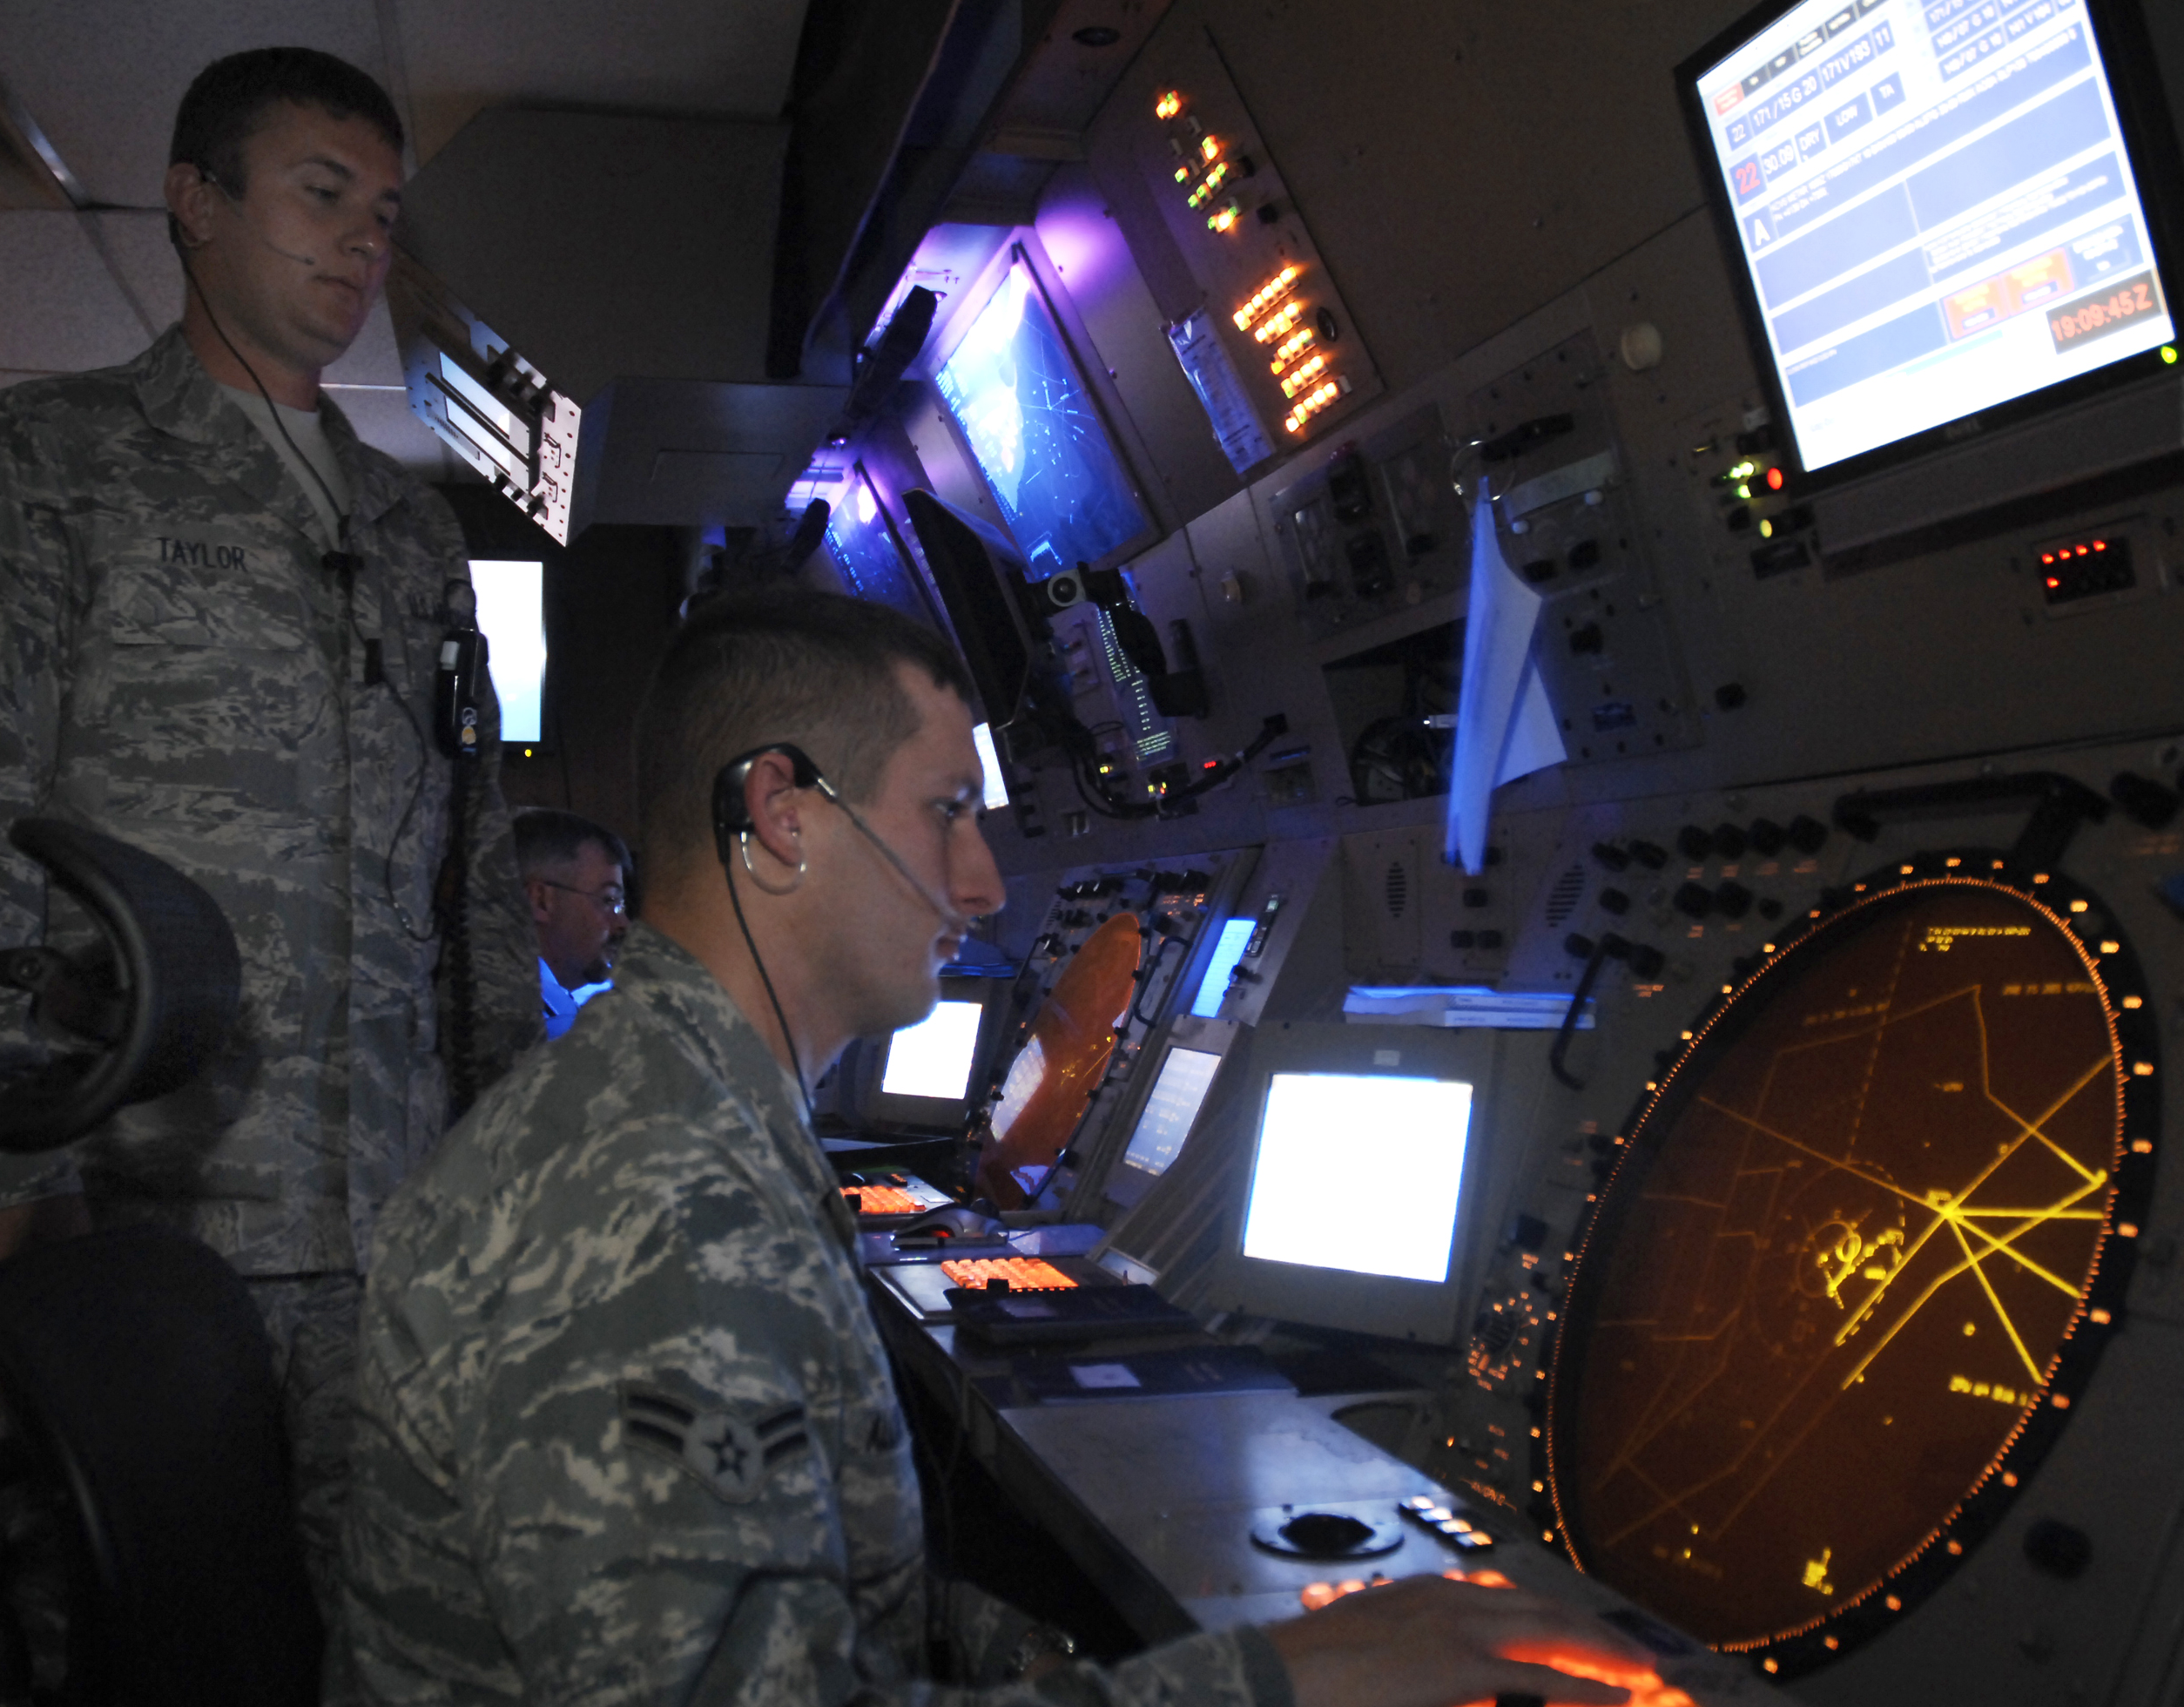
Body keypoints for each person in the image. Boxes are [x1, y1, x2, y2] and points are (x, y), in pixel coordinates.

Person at [337, 587, 1653, 1706]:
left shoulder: (684, 1110)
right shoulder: (658, 1201)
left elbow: (818, 1604)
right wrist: (1272, 1679)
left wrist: (1056, 1652)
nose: (980, 882)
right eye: (947, 810)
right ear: (785, 816)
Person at [0, 45, 541, 1609]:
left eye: (385, 208)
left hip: (394, 1250)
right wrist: (1, 1212)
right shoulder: (44, 470)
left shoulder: (410, 529)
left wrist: (509, 1172)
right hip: (136, 1234)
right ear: (194, 202)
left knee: (391, 1646)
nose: (365, 239)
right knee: (144, 1648)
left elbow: (470, 879)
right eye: (321, 192)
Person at [513, 807, 633, 1039]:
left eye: (621, 906)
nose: (623, 924)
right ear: (541, 901)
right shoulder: (552, 1031)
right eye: (608, 900)